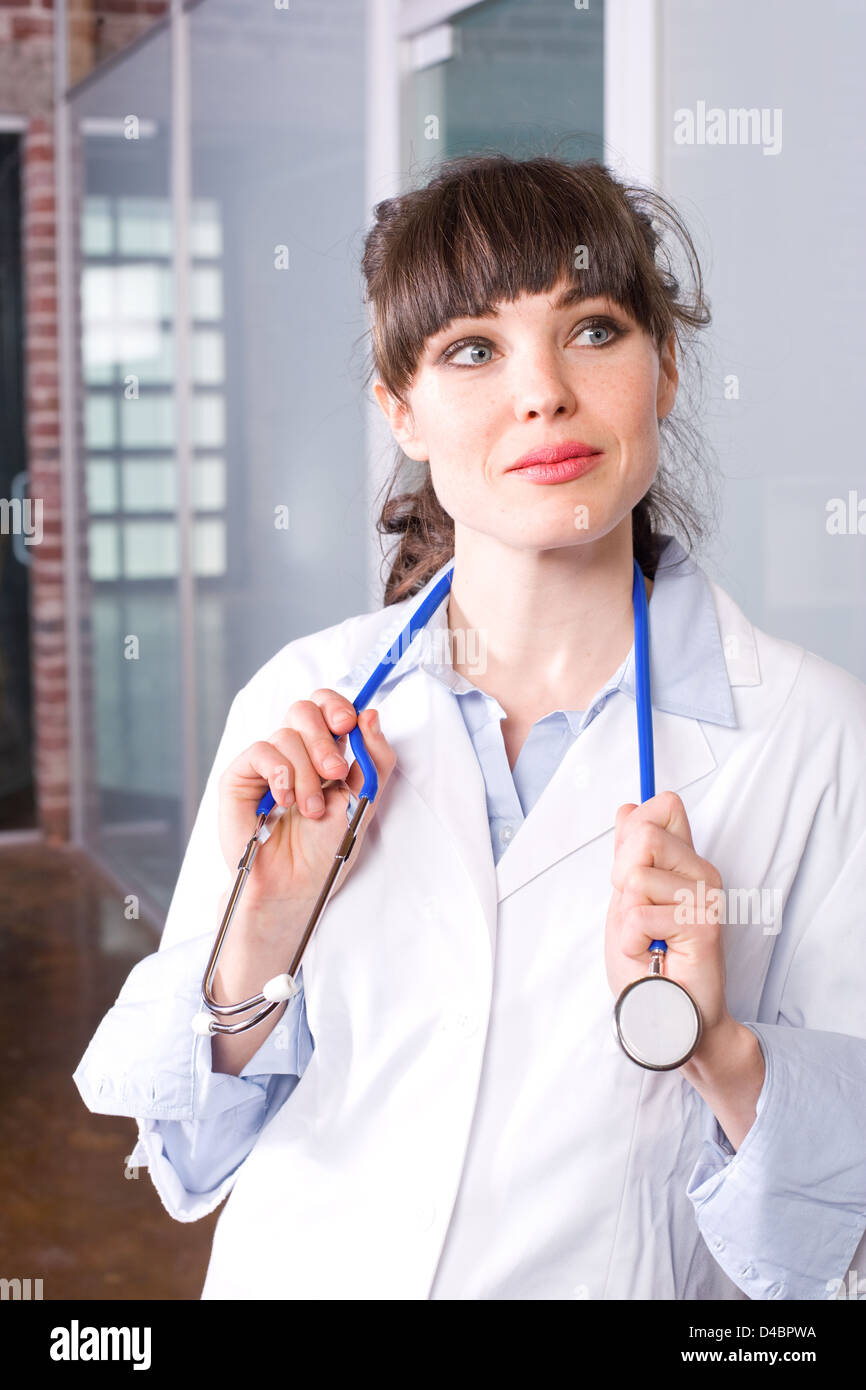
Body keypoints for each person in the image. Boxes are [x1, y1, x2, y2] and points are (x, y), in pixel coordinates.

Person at [74, 154, 866, 1301]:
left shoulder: (811, 733)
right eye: (472, 349)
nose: (540, 391)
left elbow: (837, 1235)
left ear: (666, 369)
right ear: (400, 407)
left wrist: (716, 1047)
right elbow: (186, 1150)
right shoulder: (304, 702)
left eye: (591, 330)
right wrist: (264, 932)